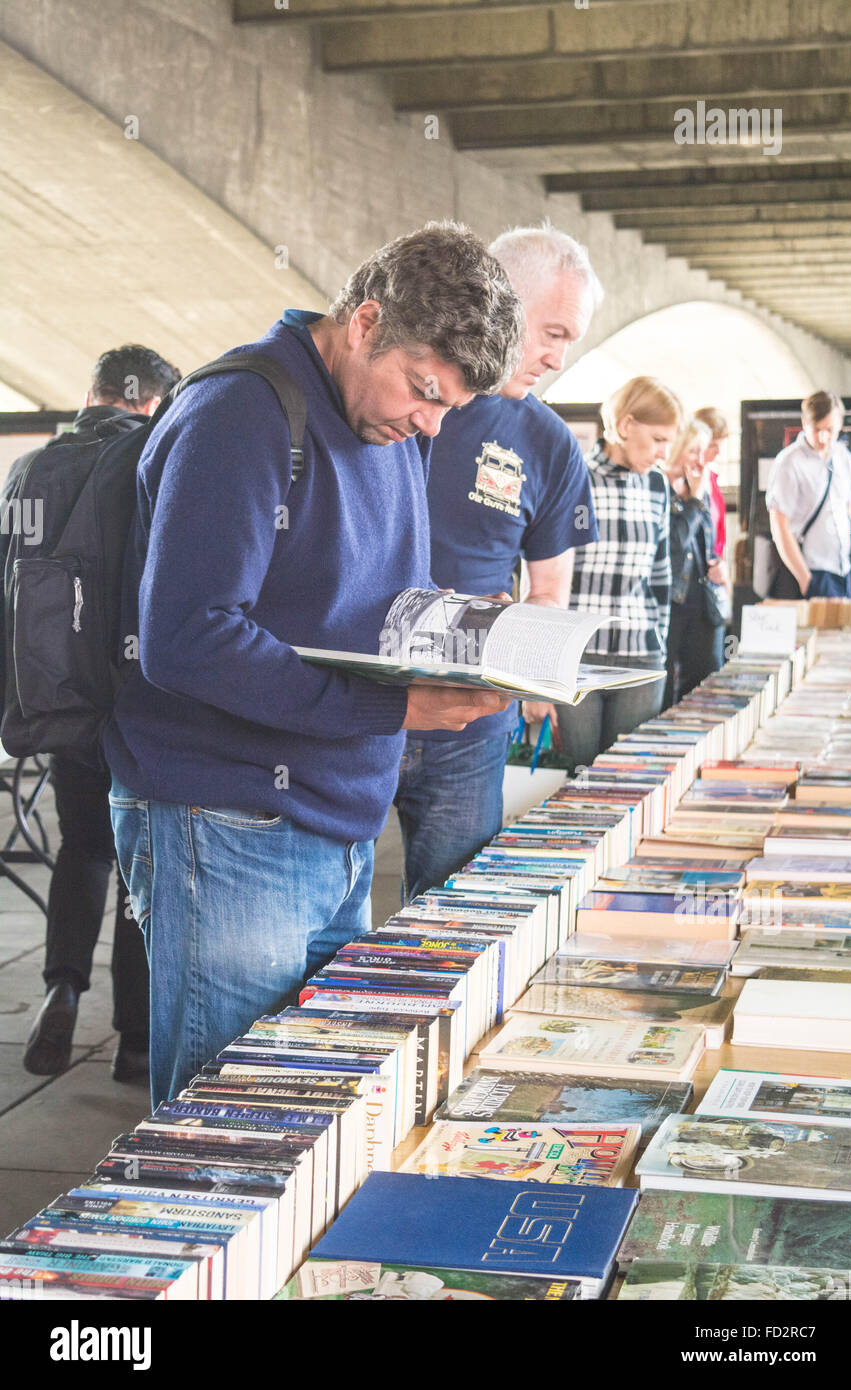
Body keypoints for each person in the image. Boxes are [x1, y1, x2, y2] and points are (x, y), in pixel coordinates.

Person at [103, 222, 525, 1106]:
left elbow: (372, 598)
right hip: (231, 825)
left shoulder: (388, 433)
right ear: (365, 322)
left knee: (313, 1115)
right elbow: (189, 635)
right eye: (423, 391)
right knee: (228, 1129)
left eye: (449, 406)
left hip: (337, 822)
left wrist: (470, 641)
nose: (429, 424)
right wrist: (394, 711)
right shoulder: (241, 413)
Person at [393, 224, 602, 901]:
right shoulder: (396, 394)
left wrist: (533, 677)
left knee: (451, 911)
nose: (557, 358)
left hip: (472, 721)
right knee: (325, 910)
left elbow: (548, 592)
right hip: (354, 701)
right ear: (499, 299)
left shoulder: (548, 444)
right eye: (554, 333)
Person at [16, 346, 180, 1083]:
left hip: (51, 693)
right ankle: (137, 1037)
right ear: (155, 401)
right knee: (138, 861)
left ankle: (60, 989)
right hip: (129, 693)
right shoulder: (146, 459)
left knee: (81, 846)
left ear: (96, 391)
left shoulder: (30, 469)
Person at [557, 376, 684, 771]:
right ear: (626, 426)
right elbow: (550, 571)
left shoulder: (658, 487)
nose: (664, 453)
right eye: (659, 439)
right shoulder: (573, 479)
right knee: (578, 778)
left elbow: (660, 575)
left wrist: (657, 641)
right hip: (576, 658)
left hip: (641, 660)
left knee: (630, 778)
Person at [767, 390, 851, 599]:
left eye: (830, 430)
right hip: (810, 572)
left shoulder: (843, 457)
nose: (823, 437)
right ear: (804, 423)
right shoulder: (789, 462)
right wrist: (805, 579)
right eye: (817, 429)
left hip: (842, 569)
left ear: (840, 424)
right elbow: (779, 526)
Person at [663, 416, 730, 707]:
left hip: (704, 601)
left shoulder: (698, 486)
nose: (701, 461)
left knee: (706, 690)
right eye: (694, 451)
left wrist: (720, 567)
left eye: (704, 452)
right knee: (663, 692)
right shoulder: (657, 487)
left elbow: (708, 543)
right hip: (670, 602)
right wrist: (696, 500)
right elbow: (675, 544)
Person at [694, 405, 729, 561]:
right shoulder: (685, 480)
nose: (718, 452)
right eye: (713, 445)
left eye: (720, 445)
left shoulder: (711, 477)